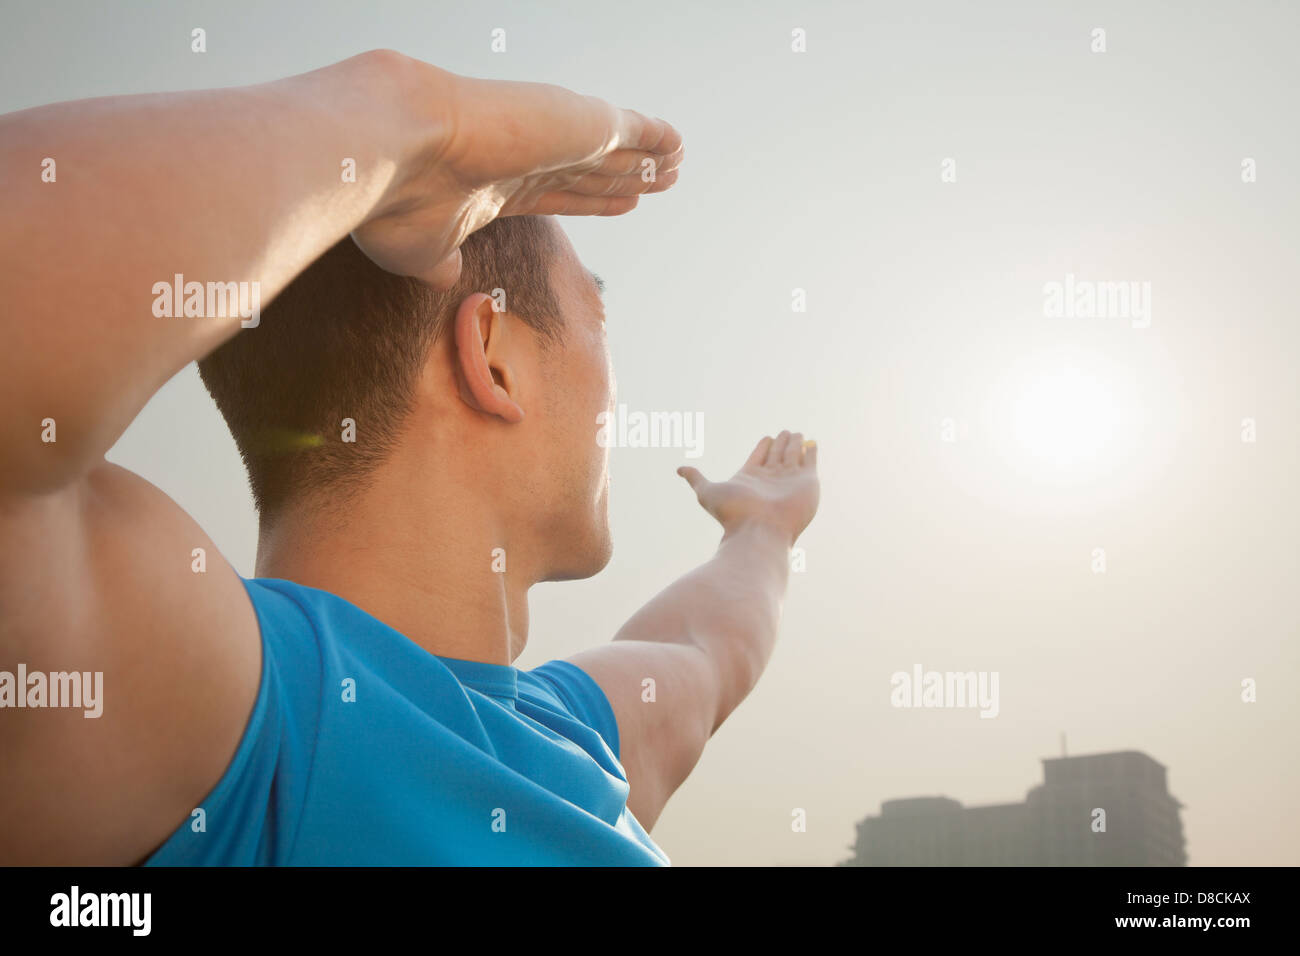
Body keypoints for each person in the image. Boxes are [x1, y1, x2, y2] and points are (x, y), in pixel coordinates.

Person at [0, 49, 819, 865]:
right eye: (595, 313)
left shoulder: (566, 739)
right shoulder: (244, 714)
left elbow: (709, 650)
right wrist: (408, 113)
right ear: (492, 355)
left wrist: (763, 530)